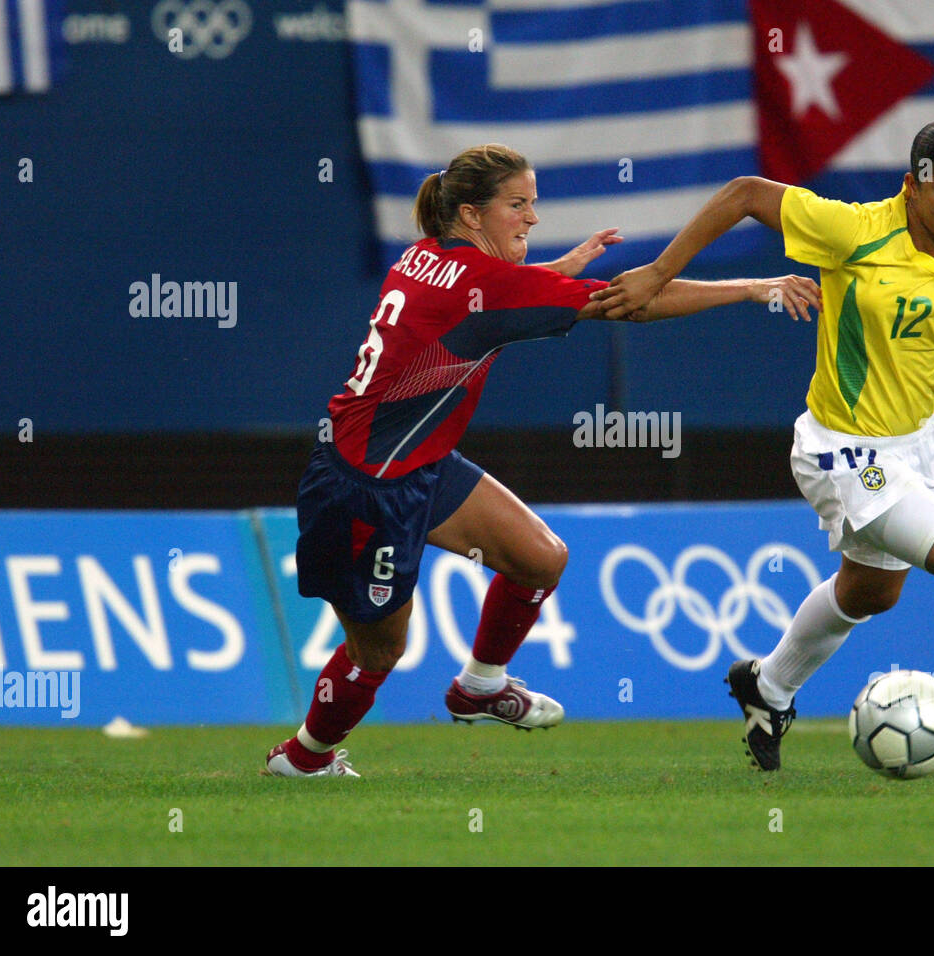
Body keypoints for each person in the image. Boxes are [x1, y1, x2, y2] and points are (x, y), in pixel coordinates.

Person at [266, 143, 821, 776]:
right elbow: (632, 301)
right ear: (473, 216)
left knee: (539, 558)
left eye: (533, 203)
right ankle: (303, 758)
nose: (531, 218)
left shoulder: (428, 255)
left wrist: (554, 273)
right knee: (377, 653)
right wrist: (752, 287)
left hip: (417, 462)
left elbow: (487, 300)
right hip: (363, 487)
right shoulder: (488, 283)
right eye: (518, 205)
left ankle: (479, 685)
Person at [598, 121, 934, 771]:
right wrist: (659, 272)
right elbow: (743, 193)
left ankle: (766, 687)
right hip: (847, 450)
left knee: (872, 594)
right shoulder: (854, 230)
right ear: (912, 187)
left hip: (917, 444)